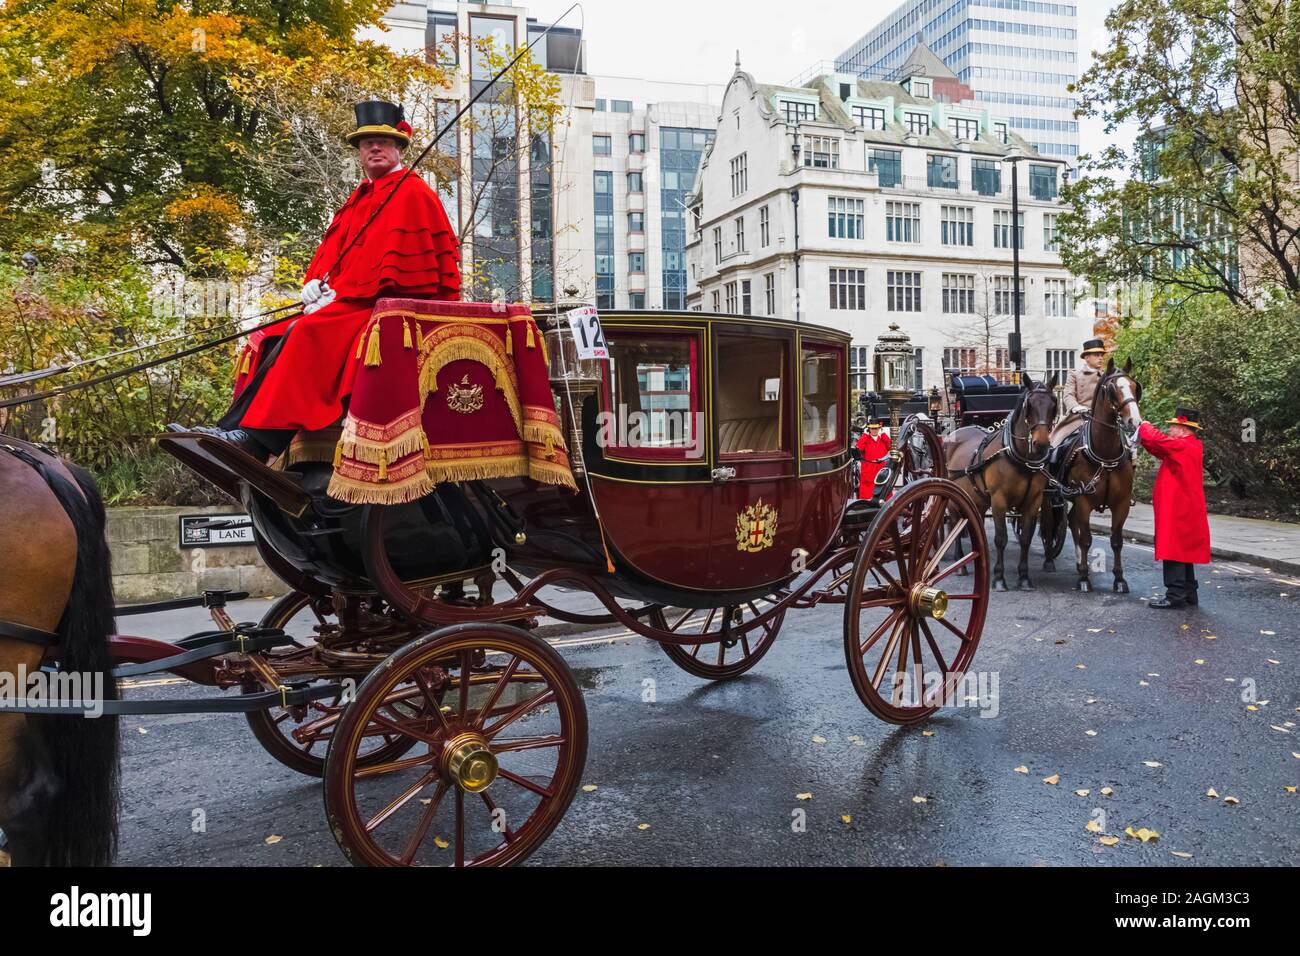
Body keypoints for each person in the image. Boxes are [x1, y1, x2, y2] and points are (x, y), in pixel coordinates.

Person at [175, 100, 461, 458]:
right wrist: (318, 284)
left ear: (399, 147)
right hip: (350, 302)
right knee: (268, 336)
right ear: (359, 152)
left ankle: (257, 441)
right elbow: (337, 258)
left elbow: (415, 277)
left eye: (383, 141)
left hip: (384, 309)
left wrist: (342, 293)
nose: (374, 148)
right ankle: (230, 429)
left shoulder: (413, 193)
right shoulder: (359, 198)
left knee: (305, 332)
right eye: (367, 142)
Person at [1138, 407, 1211, 609]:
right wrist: (1143, 438)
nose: (1170, 429)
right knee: (1184, 552)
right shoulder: (1189, 445)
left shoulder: (1182, 445)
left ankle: (1175, 595)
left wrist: (1143, 425)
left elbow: (1158, 439)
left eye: (1173, 426)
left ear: (1183, 429)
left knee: (1173, 550)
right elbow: (1158, 448)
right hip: (1184, 506)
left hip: (1177, 508)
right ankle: (1189, 593)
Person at [1048, 338, 1107, 446]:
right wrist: (1076, 407)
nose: (1100, 358)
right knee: (1057, 441)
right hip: (1080, 416)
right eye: (1096, 355)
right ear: (1087, 357)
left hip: (1103, 417)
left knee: (1126, 440)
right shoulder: (1075, 374)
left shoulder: (1106, 376)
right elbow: (1068, 395)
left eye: (1101, 355)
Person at [855, 419, 891, 500]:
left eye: (876, 428)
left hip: (881, 470)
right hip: (869, 471)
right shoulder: (865, 439)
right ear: (869, 429)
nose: (874, 430)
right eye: (872, 428)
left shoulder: (883, 439)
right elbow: (859, 448)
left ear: (879, 428)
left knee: (884, 493)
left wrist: (883, 434)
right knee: (867, 496)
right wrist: (865, 435)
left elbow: (891, 447)